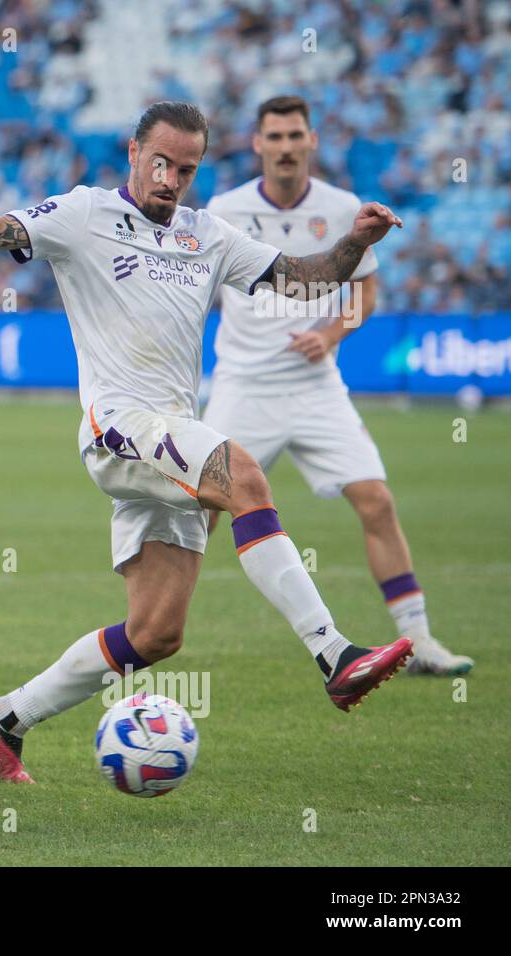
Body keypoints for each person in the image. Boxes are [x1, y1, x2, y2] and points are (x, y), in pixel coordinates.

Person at [0, 102, 410, 785]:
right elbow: (0, 229)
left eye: (187, 168)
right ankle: (334, 656)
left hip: (172, 436)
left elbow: (305, 277)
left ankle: (3, 718)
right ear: (135, 152)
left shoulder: (209, 235)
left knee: (155, 634)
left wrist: (355, 242)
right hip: (121, 426)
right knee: (245, 478)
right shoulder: (83, 214)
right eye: (161, 162)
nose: (171, 178)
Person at [203, 95, 471, 677]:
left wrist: (330, 334)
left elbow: (366, 293)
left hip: (316, 385)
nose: (285, 147)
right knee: (198, 511)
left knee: (375, 498)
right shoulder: (224, 208)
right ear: (257, 144)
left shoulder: (343, 207)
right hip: (242, 385)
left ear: (312, 140)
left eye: (295, 135)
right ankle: (150, 634)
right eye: (273, 137)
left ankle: (419, 640)